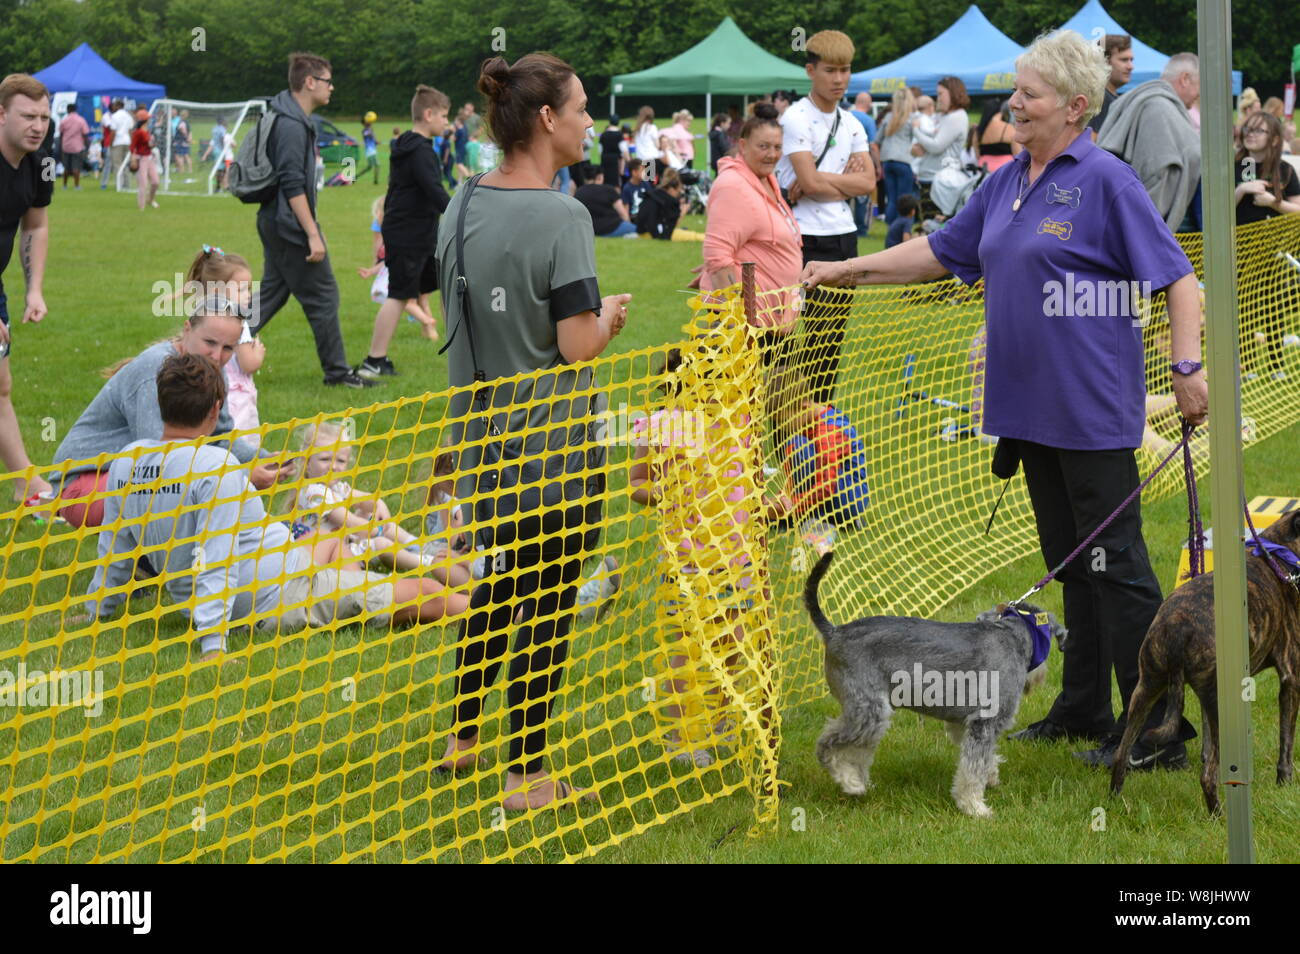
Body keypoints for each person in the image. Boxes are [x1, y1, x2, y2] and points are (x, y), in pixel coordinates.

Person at [800, 29, 1209, 772]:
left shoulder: (1106, 181)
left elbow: (1177, 278)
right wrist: (850, 265)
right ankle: (1082, 707)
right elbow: (940, 252)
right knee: (1069, 563)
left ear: (1075, 107)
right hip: (1027, 411)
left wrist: (1187, 366)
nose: (1014, 103)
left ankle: (1158, 732)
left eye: (1030, 94)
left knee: (1117, 570)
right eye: (1016, 90)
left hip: (1090, 410)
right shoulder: (1010, 177)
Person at [436, 51, 632, 811]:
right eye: (582, 107)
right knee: (547, 603)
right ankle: (527, 777)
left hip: (481, 447)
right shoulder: (563, 213)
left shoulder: (461, 201)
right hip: (553, 450)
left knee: (502, 581)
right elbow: (576, 343)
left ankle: (462, 739)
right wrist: (610, 316)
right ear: (547, 119)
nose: (590, 121)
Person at [83, 353, 465, 661]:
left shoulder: (127, 461)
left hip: (277, 565)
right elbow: (218, 558)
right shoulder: (216, 468)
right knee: (426, 591)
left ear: (161, 404)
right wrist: (213, 646)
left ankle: (355, 591)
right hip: (279, 595)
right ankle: (501, 609)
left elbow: (116, 547)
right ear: (216, 412)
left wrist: (96, 609)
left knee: (331, 543)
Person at [50, 289, 280, 527]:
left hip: (133, 476)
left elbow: (220, 437)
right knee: (183, 499)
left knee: (192, 503)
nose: (217, 355)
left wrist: (263, 460)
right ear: (187, 329)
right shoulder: (155, 371)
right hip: (83, 483)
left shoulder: (214, 369)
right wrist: (241, 477)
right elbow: (157, 463)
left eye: (228, 348)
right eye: (209, 342)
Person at [250, 52, 372, 388]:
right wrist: (312, 234)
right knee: (324, 296)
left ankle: (209, 346)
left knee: (271, 293)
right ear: (309, 82)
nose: (332, 87)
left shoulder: (291, 117)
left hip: (275, 221)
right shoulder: (290, 124)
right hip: (288, 225)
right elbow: (291, 184)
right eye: (328, 81)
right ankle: (337, 373)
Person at [774, 30, 875, 407]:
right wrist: (839, 183)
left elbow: (866, 183)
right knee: (781, 339)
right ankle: (781, 424)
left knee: (827, 343)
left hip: (842, 238)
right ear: (810, 70)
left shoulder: (853, 122)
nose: (839, 79)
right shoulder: (795, 118)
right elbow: (810, 182)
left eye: (845, 70)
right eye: (830, 70)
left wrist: (824, 182)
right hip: (800, 238)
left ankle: (819, 426)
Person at [356, 84, 450, 381]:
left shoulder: (408, 147)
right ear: (428, 114)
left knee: (448, 278)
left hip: (419, 233)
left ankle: (456, 344)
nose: (447, 122)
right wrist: (460, 211)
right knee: (398, 295)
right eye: (444, 116)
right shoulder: (420, 151)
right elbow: (434, 190)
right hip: (409, 234)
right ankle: (374, 360)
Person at [0, 74, 55, 508]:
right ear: (1, 114)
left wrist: (33, 290)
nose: (38, 126)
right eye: (27, 116)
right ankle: (27, 482)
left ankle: (25, 483)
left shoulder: (43, 163)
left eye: (44, 117)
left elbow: (35, 225)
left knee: (0, 385)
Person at [701, 103, 801, 324]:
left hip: (772, 316)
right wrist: (739, 321)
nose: (772, 155)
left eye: (777, 147)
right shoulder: (734, 186)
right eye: (763, 146)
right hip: (748, 323)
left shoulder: (765, 180)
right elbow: (717, 256)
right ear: (742, 145)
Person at [290, 419, 433, 572]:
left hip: (343, 543)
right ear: (307, 462)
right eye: (325, 459)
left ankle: (418, 545)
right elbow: (352, 523)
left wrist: (379, 505)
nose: (333, 466)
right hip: (330, 560)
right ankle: (427, 563)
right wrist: (377, 530)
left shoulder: (335, 487)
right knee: (381, 544)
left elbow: (366, 501)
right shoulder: (314, 493)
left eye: (340, 461)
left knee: (371, 513)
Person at [1097, 52, 1201, 231]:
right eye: (1200, 86)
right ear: (1185, 79)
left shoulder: (1147, 102)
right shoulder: (1158, 109)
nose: (1199, 95)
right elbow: (1156, 175)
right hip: (1150, 227)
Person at [1235, 111, 1300, 379]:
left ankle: (1276, 365)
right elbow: (1214, 206)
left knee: (1274, 306)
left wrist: (1274, 203)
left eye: (1258, 130)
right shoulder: (1234, 165)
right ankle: (1247, 365)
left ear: (1274, 139)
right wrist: (1241, 191)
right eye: (1248, 128)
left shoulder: (1284, 170)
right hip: (1240, 249)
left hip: (1274, 250)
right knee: (1245, 306)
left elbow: (1297, 209)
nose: (1250, 133)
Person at [911, 76, 970, 190]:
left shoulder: (957, 117)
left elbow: (936, 146)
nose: (938, 99)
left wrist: (915, 131)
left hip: (941, 181)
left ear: (953, 93)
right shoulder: (943, 115)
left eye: (940, 94)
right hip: (930, 178)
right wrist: (914, 148)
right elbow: (927, 140)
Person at [878, 87, 918, 223]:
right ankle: (902, 227)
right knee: (905, 199)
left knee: (892, 198)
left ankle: (891, 227)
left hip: (888, 162)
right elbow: (918, 139)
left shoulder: (888, 118)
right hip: (903, 161)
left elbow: (877, 141)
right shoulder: (912, 119)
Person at [1087, 34, 1133, 139]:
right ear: (1104, 61)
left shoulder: (1112, 97)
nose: (1131, 66)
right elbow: (1092, 142)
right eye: (1124, 60)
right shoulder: (1099, 96)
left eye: (1131, 60)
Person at [635, 167, 701, 240]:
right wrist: (683, 211)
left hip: (641, 233)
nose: (678, 195)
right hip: (655, 234)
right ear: (672, 189)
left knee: (683, 230)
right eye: (678, 191)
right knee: (697, 236)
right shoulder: (670, 201)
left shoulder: (653, 194)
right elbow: (670, 227)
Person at [574, 166, 637, 236]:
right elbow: (623, 213)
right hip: (613, 227)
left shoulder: (578, 192)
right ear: (599, 177)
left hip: (589, 230)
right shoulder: (609, 190)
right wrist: (628, 224)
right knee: (637, 231)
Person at [850, 92, 879, 237]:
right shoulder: (868, 120)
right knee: (862, 198)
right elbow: (873, 145)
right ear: (868, 104)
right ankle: (861, 229)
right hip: (862, 162)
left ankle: (848, 225)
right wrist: (878, 166)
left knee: (845, 195)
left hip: (844, 162)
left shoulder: (845, 116)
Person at [976, 99, 1021, 173]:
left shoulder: (979, 130)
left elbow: (977, 155)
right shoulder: (1008, 128)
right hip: (1005, 169)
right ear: (1000, 112)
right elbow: (1018, 155)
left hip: (983, 168)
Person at [130, 108, 159, 210]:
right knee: (143, 184)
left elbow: (149, 145)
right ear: (144, 120)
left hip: (149, 158)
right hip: (141, 159)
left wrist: (152, 144)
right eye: (148, 118)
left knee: (155, 182)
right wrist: (133, 159)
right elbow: (132, 146)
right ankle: (141, 208)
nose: (149, 120)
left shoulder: (147, 131)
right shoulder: (138, 132)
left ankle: (150, 200)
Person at [57, 103, 89, 189]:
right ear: (75, 109)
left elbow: (61, 134)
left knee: (66, 167)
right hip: (77, 147)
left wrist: (60, 146)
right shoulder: (81, 120)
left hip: (66, 146)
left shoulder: (64, 120)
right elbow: (85, 134)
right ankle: (77, 185)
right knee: (76, 167)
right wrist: (87, 146)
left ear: (67, 110)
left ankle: (64, 185)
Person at [105, 98, 132, 190]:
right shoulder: (128, 116)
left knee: (117, 164)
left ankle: (119, 185)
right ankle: (127, 184)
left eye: (114, 105)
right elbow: (130, 130)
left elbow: (113, 131)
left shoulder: (115, 116)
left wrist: (111, 143)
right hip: (127, 141)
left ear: (118, 106)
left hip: (117, 142)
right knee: (125, 164)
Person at [633, 105, 661, 172]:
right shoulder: (652, 127)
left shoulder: (637, 129)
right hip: (650, 158)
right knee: (649, 180)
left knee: (642, 180)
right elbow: (657, 145)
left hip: (639, 158)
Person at [598, 115, 622, 186]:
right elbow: (623, 151)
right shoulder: (619, 134)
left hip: (605, 159)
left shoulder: (603, 134)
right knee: (615, 183)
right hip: (615, 160)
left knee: (606, 181)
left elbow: (600, 150)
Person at [359, 112, 380, 184]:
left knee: (369, 167)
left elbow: (373, 139)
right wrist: (376, 141)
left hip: (371, 150)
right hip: (370, 151)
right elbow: (371, 137)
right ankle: (375, 181)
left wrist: (376, 142)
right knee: (377, 165)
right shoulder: (365, 131)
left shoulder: (369, 129)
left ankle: (355, 177)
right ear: (365, 123)